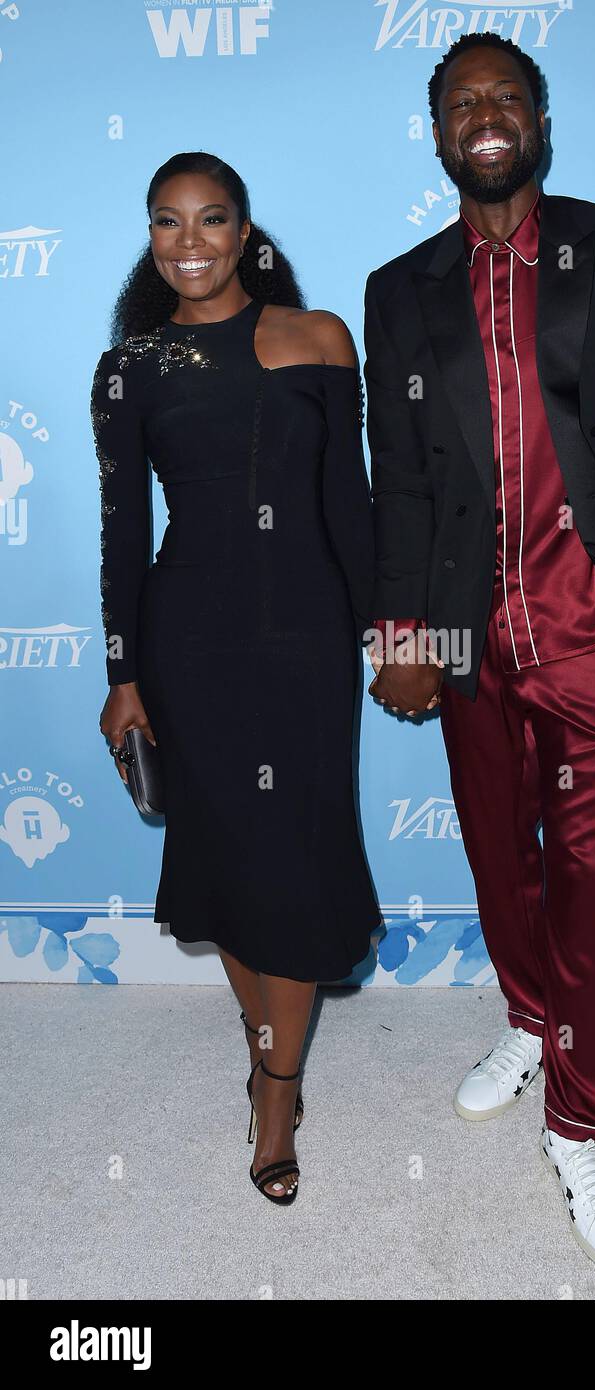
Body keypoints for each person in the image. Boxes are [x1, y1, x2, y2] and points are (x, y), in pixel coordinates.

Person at [365, 35, 595, 1271]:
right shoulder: (399, 287)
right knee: (491, 852)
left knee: (580, 879)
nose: (484, 115)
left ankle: (579, 1122)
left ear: (538, 115)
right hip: (468, 635)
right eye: (460, 99)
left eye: (503, 95)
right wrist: (401, 633)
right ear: (434, 128)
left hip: (594, 633)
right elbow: (399, 485)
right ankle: (527, 1015)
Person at [91, 151, 381, 1205]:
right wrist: (123, 672)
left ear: (246, 229)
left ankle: (274, 1086)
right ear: (151, 237)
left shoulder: (317, 339)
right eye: (167, 223)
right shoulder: (130, 368)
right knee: (227, 860)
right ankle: (270, 1053)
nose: (190, 242)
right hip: (189, 645)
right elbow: (126, 533)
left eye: (211, 219)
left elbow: (348, 508)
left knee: (293, 864)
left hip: (304, 643)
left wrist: (386, 630)